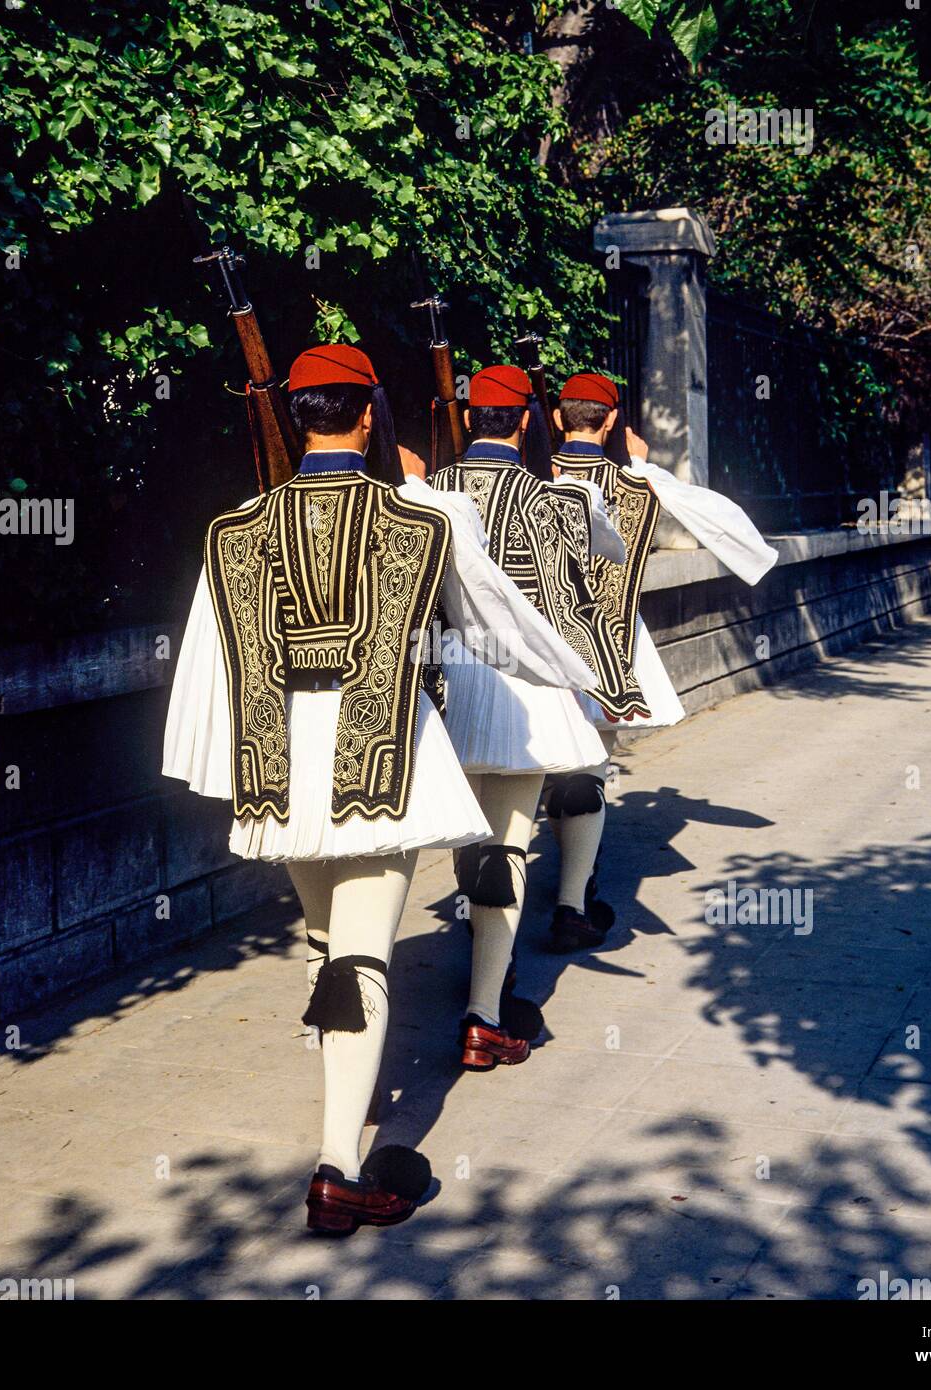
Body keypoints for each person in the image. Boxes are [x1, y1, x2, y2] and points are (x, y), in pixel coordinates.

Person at [162, 345, 594, 1235]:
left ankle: (344, 1105)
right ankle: (337, 1169)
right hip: (382, 761)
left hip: (278, 769)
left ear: (296, 416)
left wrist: (231, 776)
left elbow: (212, 665)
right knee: (363, 954)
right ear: (367, 414)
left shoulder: (232, 527)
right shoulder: (419, 520)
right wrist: (581, 676)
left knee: (328, 945)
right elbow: (500, 625)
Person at [430, 364, 629, 1068]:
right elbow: (578, 603)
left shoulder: (424, 494)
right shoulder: (557, 501)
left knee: (470, 833)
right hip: (520, 685)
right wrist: (602, 682)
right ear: (523, 421)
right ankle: (484, 1009)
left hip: (448, 675)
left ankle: (491, 960)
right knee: (508, 846)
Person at [544, 371, 779, 951]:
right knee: (589, 770)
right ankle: (572, 900)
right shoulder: (637, 485)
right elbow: (711, 516)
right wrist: (636, 462)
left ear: (554, 418)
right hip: (609, 646)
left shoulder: (532, 479)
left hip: (533, 646)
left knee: (534, 777)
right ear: (613, 422)